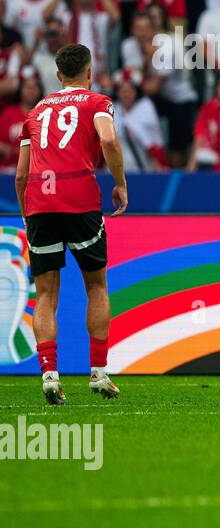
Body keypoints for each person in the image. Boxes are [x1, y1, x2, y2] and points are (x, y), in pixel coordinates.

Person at [14, 44, 128, 405]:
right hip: (79, 201)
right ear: (89, 72)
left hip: (39, 204)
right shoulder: (97, 102)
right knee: (96, 286)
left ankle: (49, 374)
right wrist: (120, 182)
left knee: (46, 294)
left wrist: (27, 211)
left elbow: (20, 174)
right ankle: (98, 373)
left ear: (58, 75)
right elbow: (108, 137)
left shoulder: (35, 112)